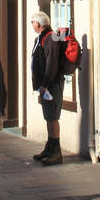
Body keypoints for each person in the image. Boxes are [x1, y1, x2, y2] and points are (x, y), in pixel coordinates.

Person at [30, 12, 64, 165]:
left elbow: (51, 64)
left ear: (39, 23)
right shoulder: (43, 37)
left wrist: (45, 84)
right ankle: (49, 147)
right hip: (46, 85)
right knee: (48, 116)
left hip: (52, 85)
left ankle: (56, 152)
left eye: (32, 22)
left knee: (52, 117)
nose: (31, 24)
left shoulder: (50, 37)